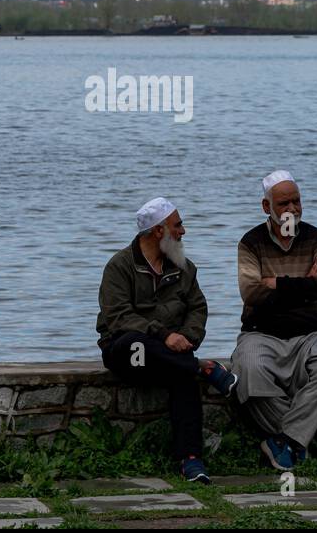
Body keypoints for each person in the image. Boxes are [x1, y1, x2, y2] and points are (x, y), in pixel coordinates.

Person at [97, 196, 237, 484]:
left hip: (171, 356)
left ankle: (191, 461)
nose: (183, 231)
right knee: (134, 342)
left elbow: (197, 308)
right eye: (178, 225)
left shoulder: (184, 268)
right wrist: (164, 335)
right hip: (128, 352)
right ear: (158, 231)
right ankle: (200, 367)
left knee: (180, 375)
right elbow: (119, 317)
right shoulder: (119, 266)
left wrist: (188, 337)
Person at [230, 171, 317, 471]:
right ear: (266, 207)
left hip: (310, 333)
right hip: (261, 332)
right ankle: (296, 441)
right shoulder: (250, 243)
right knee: (249, 372)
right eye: (284, 204)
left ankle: (283, 441)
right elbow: (251, 293)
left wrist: (275, 283)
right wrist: (302, 285)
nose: (292, 209)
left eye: (297, 201)